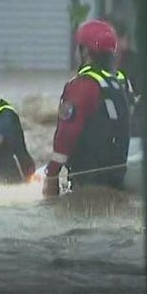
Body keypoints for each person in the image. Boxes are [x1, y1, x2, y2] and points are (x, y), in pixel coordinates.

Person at [42, 19, 133, 197]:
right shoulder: (121, 82)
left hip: (87, 179)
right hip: (118, 177)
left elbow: (66, 134)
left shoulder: (81, 86)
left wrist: (51, 174)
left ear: (84, 51)